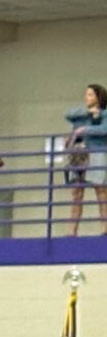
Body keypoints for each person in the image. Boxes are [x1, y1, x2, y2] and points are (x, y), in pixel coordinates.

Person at [63, 82, 107, 234]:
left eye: (90, 94)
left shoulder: (105, 114)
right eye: (86, 94)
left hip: (97, 153)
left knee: (101, 191)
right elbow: (68, 114)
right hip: (79, 155)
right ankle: (72, 230)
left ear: (98, 97)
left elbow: (104, 130)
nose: (86, 97)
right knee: (77, 193)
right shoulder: (82, 114)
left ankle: (105, 228)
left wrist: (86, 128)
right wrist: (88, 114)